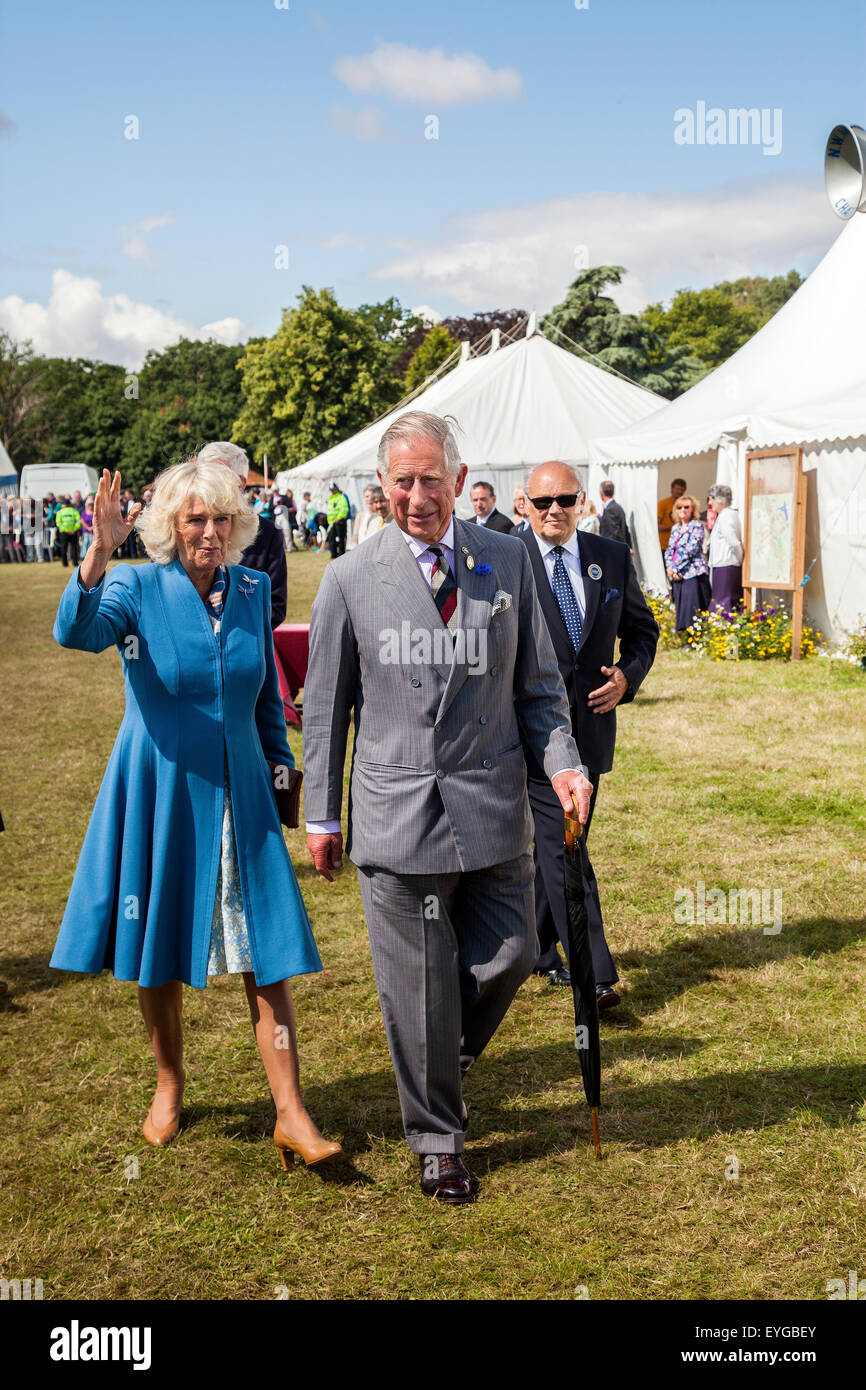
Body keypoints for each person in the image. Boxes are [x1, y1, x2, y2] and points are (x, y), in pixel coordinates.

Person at [302, 410, 590, 1204]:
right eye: (403, 481)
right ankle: (439, 1142)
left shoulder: (507, 560)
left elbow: (538, 687)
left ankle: (435, 1055)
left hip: (493, 807)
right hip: (395, 817)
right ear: (383, 486)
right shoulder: (349, 579)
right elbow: (326, 709)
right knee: (417, 980)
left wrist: (563, 763)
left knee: (507, 960)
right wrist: (321, 816)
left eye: (433, 479)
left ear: (460, 483)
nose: (418, 495)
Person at [50, 463, 339, 1168]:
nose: (209, 533)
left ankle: (292, 1112)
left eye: (219, 520)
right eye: (193, 520)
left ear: (236, 525)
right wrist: (97, 550)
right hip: (161, 791)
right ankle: (169, 1083)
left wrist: (280, 775)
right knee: (158, 950)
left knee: (266, 954)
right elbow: (77, 632)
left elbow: (266, 698)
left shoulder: (252, 588)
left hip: (242, 794)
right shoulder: (135, 587)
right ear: (170, 527)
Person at [520, 462, 658, 1004]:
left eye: (565, 499)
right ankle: (595, 972)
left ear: (582, 501)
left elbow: (643, 631)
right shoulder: (505, 559)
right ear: (524, 504)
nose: (554, 509)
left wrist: (627, 677)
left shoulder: (610, 557)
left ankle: (535, 946)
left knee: (556, 847)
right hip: (530, 734)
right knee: (565, 844)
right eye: (542, 501)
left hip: (593, 728)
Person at [197, 443, 287, 630]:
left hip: (241, 648)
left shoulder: (267, 534)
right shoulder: (184, 528)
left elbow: (275, 607)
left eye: (218, 477)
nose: (208, 485)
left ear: (242, 483)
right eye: (203, 477)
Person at [665, 494, 710, 630]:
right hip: (676, 573)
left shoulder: (696, 526)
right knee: (681, 605)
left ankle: (695, 636)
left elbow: (692, 550)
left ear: (692, 509)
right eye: (679, 507)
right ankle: (683, 634)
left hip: (692, 572)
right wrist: (669, 568)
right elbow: (669, 550)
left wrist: (676, 568)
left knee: (692, 606)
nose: (683, 510)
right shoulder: (675, 528)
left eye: (686, 507)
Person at [707, 483, 743, 615]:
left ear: (720, 499)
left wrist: (739, 559)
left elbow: (733, 541)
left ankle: (724, 630)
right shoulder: (725, 515)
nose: (710, 502)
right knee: (723, 602)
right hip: (724, 564)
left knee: (724, 603)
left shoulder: (726, 515)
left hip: (726, 565)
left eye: (711, 498)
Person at [598, 482, 631, 548]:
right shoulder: (618, 507)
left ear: (601, 494)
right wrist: (629, 547)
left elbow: (612, 534)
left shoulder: (610, 509)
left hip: (612, 550)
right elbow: (625, 529)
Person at [658, 478, 686, 552]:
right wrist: (674, 527)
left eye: (682, 490)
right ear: (672, 489)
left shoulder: (685, 505)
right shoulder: (663, 504)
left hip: (680, 547)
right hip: (664, 546)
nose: (679, 492)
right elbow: (657, 526)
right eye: (677, 489)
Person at [55, 496, 83, 568]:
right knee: (74, 548)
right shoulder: (74, 511)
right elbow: (78, 522)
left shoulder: (60, 512)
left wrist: (66, 530)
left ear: (63, 505)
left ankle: (65, 563)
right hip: (73, 532)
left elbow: (58, 523)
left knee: (64, 548)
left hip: (63, 533)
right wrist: (73, 529)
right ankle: (75, 562)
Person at [325, 483, 349, 558]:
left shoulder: (341, 497)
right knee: (331, 539)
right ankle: (333, 554)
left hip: (340, 521)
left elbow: (344, 509)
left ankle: (341, 555)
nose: (332, 491)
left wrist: (338, 517)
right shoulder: (331, 499)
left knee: (341, 538)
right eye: (331, 490)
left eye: (333, 490)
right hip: (332, 522)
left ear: (337, 489)